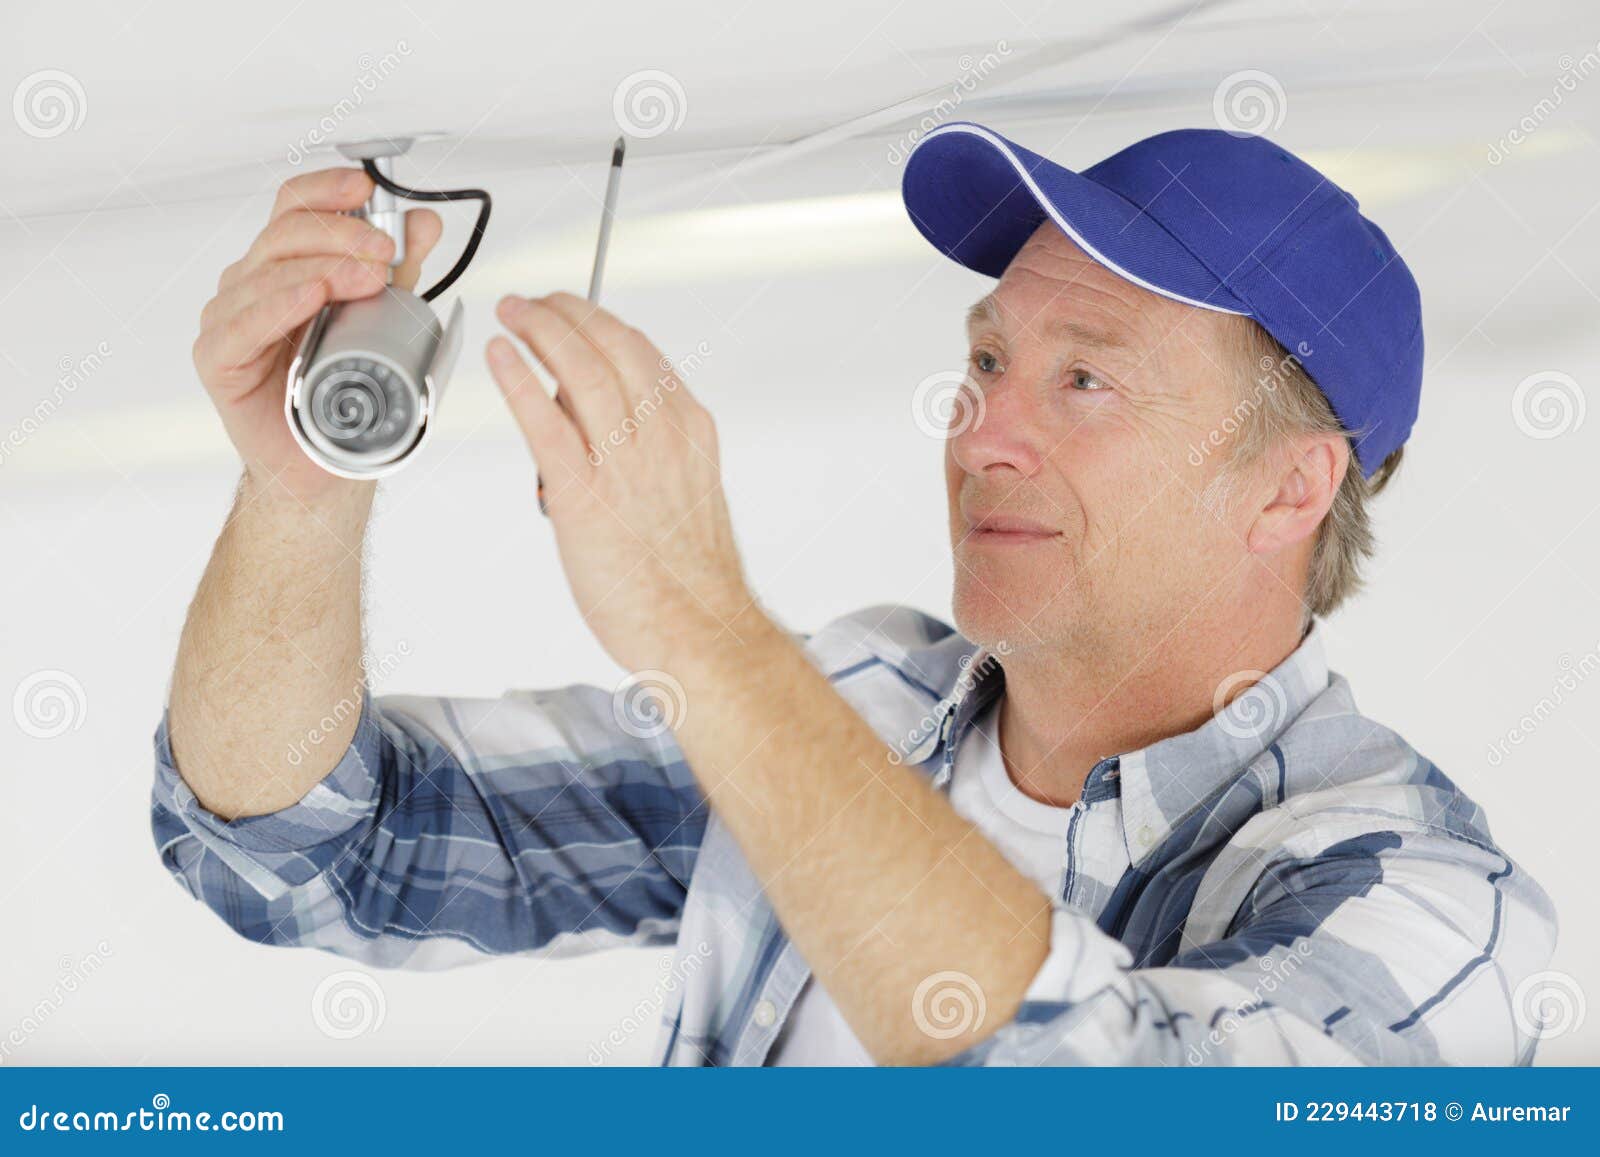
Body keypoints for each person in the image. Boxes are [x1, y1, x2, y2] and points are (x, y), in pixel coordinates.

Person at [153, 121, 1556, 1065]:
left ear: (1290, 489)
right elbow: (315, 848)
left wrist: (700, 628)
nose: (985, 426)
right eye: (991, 360)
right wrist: (302, 491)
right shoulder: (862, 706)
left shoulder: (1430, 904)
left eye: (1085, 378)